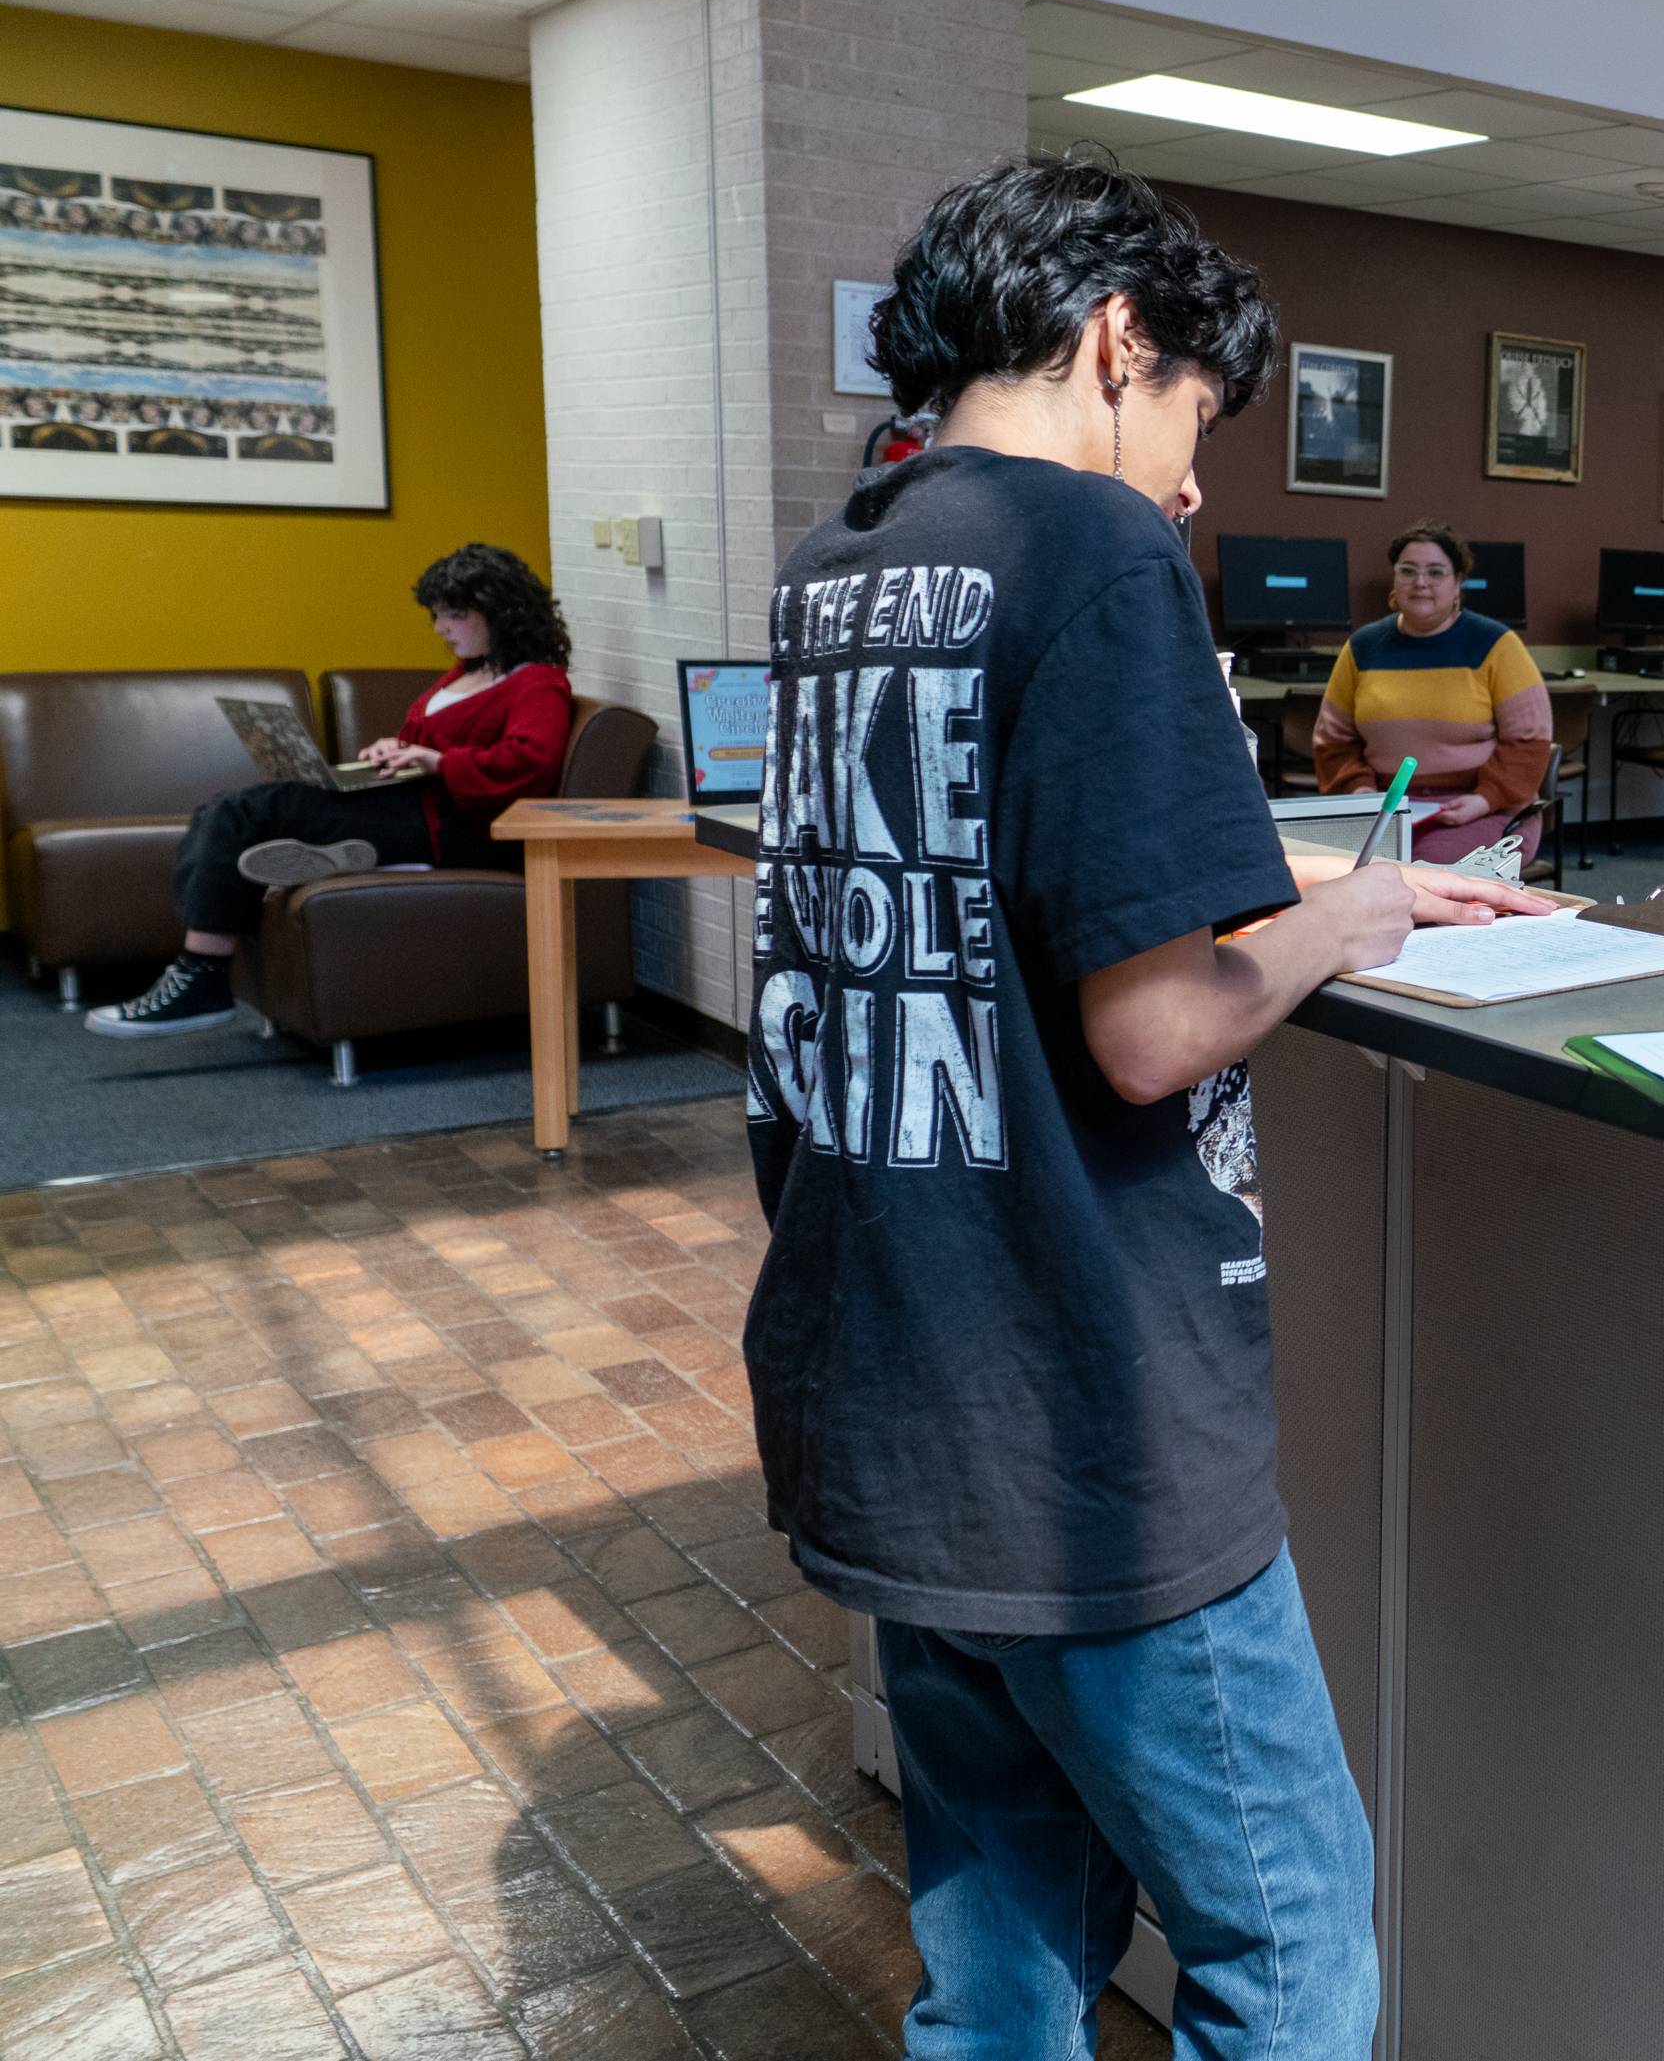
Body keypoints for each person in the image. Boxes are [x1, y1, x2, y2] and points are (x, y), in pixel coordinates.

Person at [742, 153, 1546, 2058]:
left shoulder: (838, 562)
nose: (1195, 484)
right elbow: (1152, 1028)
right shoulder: (1097, 555)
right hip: (1081, 1422)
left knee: (1004, 1953)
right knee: (1291, 1952)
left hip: (892, 1390)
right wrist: (1344, 918)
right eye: (1192, 414)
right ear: (1118, 342)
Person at [84, 543, 574, 1038]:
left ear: (500, 610)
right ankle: (324, 864)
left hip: (448, 827)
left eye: (455, 615)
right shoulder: (469, 671)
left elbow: (531, 763)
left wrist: (439, 760)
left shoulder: (537, 684)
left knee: (243, 813)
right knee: (220, 810)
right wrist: (399, 747)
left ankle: (201, 976)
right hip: (410, 804)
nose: (441, 628)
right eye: (437, 616)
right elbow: (443, 739)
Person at [1312, 520, 1552, 867]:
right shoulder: (1363, 647)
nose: (1420, 582)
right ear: (1394, 579)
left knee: (1421, 876)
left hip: (1481, 808)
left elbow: (1528, 743)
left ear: (1457, 583)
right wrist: (1359, 791)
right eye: (1407, 571)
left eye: (1435, 572)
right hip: (1385, 808)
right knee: (1326, 869)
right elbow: (1333, 741)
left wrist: (1485, 799)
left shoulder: (1496, 645)